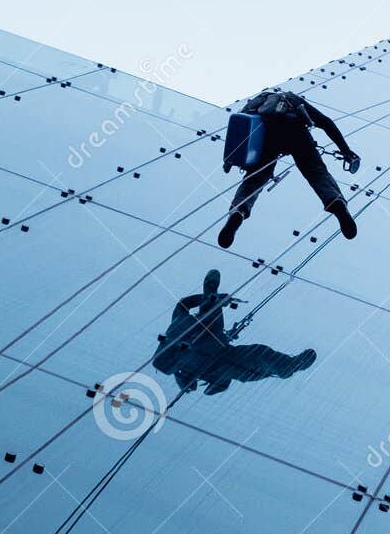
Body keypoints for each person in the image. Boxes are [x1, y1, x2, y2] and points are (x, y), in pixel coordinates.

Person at [218, 88, 360, 248]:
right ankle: (337, 205)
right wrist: (345, 150)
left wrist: (229, 161)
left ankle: (238, 212)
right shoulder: (291, 98)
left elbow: (238, 133)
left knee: (254, 180)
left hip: (268, 138)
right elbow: (326, 123)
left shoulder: (255, 104)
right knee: (316, 173)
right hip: (296, 133)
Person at [152, 270, 317, 395]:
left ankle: (287, 366)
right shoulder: (189, 322)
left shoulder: (193, 320)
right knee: (252, 358)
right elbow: (184, 304)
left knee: (255, 356)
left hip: (216, 357)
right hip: (215, 363)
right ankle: (286, 366)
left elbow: (184, 304)